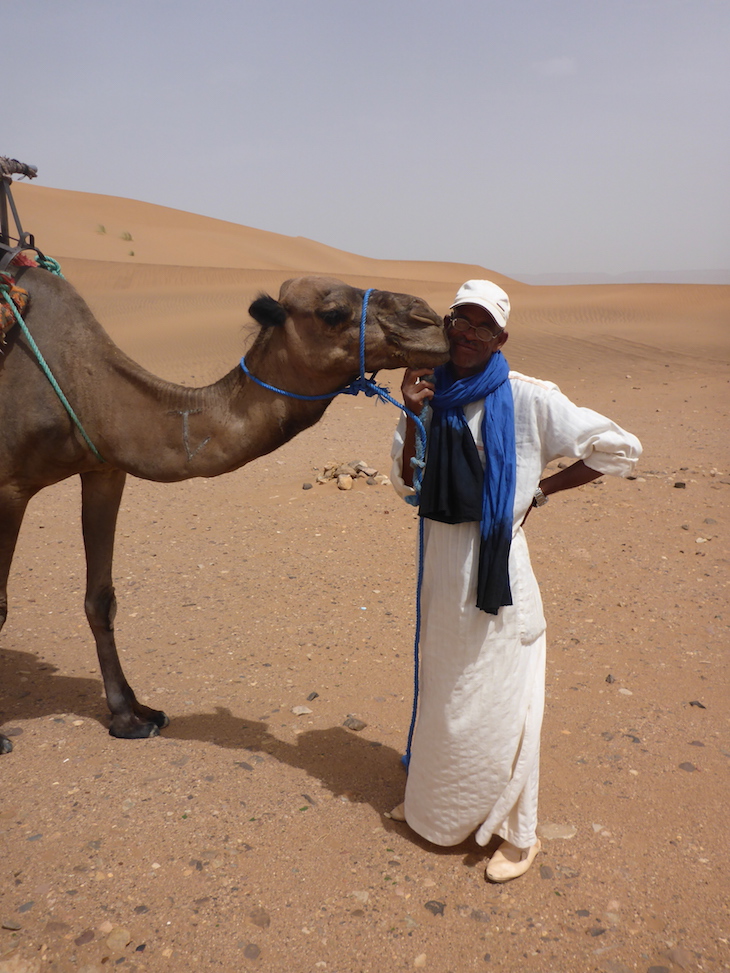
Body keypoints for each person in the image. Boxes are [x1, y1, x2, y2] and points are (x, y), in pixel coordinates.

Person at [388, 279, 642, 883]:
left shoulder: (528, 398)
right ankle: (436, 811)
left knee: (502, 705)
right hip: (443, 575)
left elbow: (620, 449)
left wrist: (540, 492)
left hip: (499, 577)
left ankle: (518, 835)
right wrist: (414, 412)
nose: (469, 335)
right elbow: (409, 487)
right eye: (462, 322)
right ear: (447, 324)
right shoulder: (428, 392)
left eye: (484, 327)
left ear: (501, 337)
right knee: (446, 696)